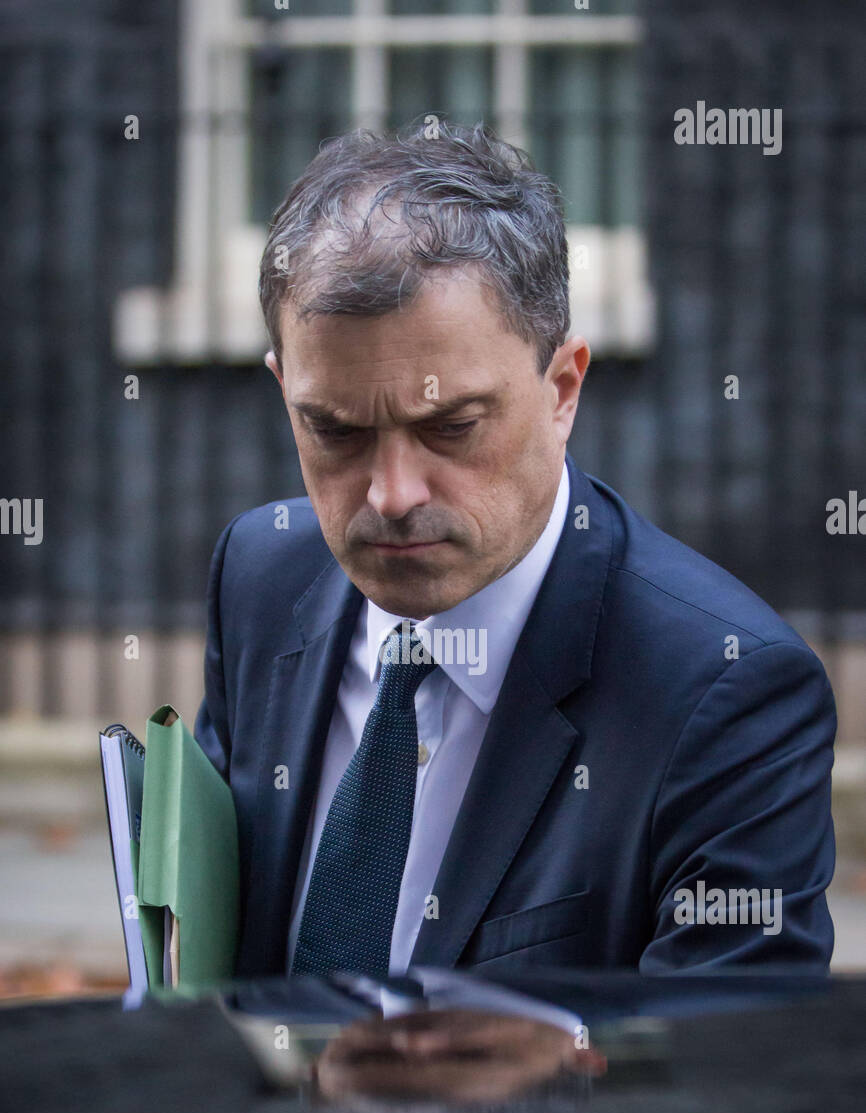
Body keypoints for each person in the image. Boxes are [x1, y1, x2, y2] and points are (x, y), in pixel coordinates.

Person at [194, 120, 836, 979]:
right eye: (333, 431)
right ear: (285, 389)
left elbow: (722, 1078)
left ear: (563, 386)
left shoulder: (728, 693)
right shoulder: (258, 577)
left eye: (452, 426)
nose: (391, 495)